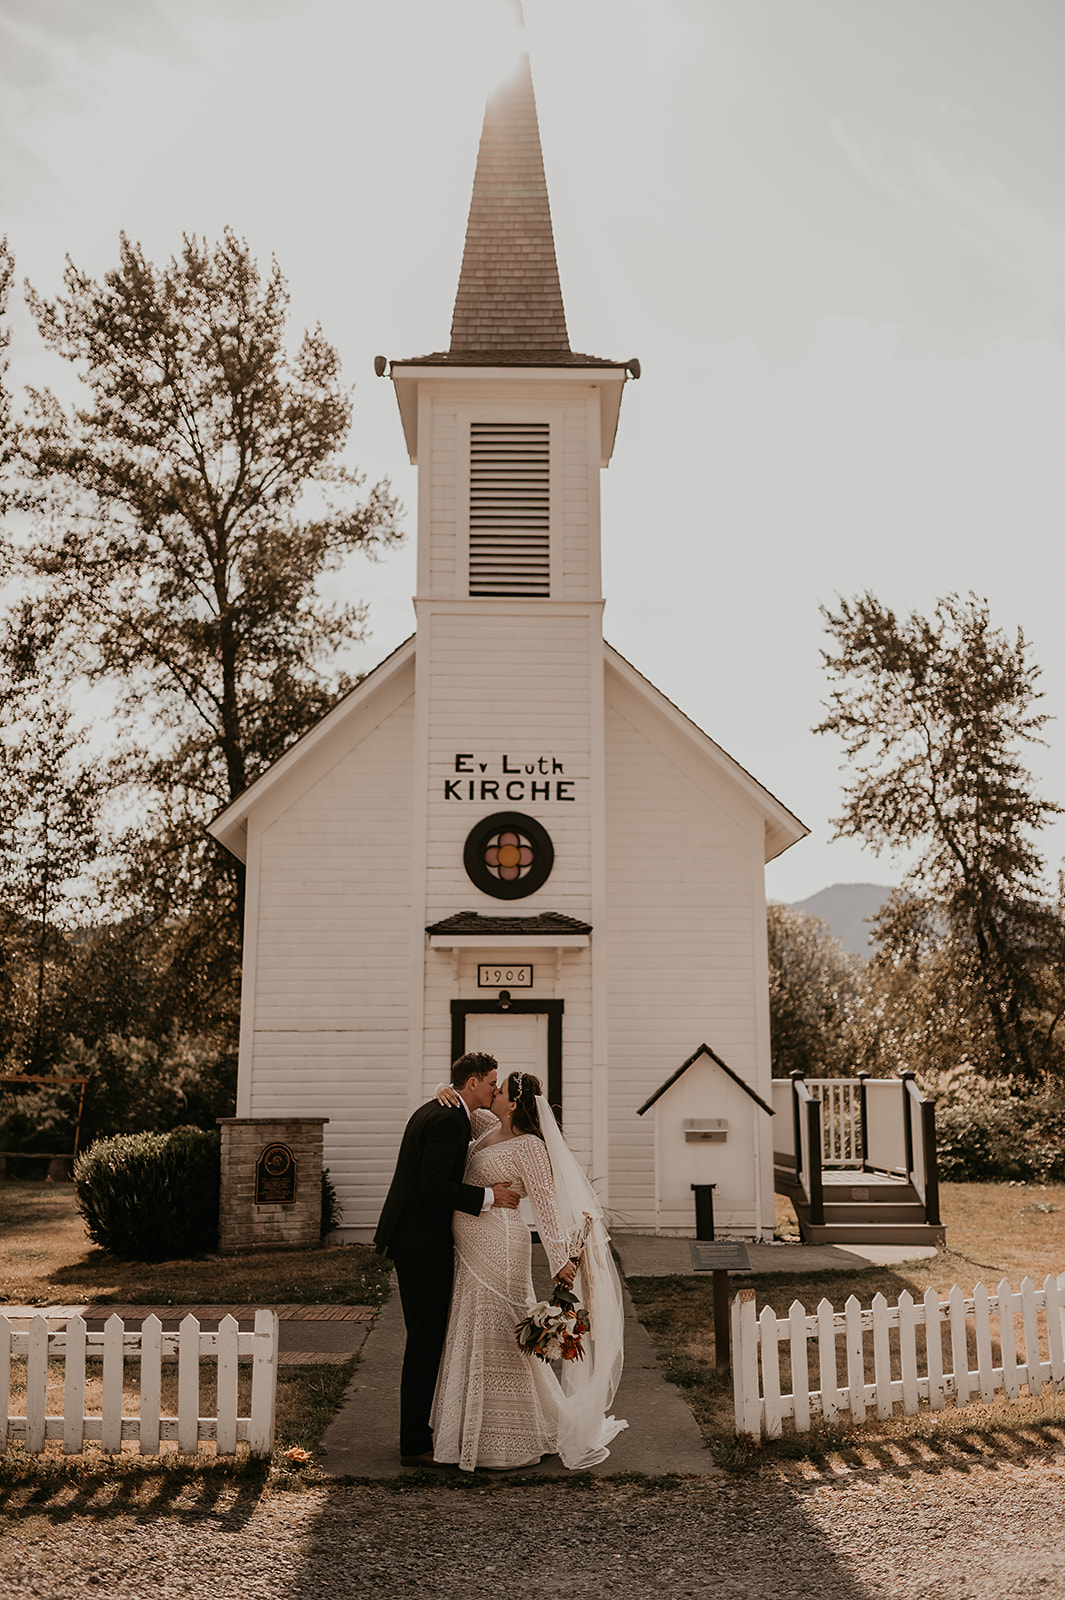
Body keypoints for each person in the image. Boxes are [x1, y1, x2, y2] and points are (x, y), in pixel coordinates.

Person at [430, 1070, 627, 1472]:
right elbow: (463, 1103)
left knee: (501, 1332)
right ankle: (471, 1433)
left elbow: (548, 1208)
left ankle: (511, 1439)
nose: (493, 1094)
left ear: (514, 1103)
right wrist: (441, 1090)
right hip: (470, 1249)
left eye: (499, 1091)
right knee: (473, 1326)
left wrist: (561, 1261)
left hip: (501, 1244)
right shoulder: (486, 1125)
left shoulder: (531, 1147)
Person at [374, 1051, 520, 1467]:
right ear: (472, 1082)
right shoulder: (446, 1120)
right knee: (425, 1339)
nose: (496, 1087)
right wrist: (491, 1196)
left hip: (414, 1237)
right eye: (491, 1081)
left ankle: (417, 1432)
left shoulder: (444, 1108)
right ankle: (414, 1443)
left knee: (426, 1336)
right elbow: (434, 1187)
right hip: (420, 1242)